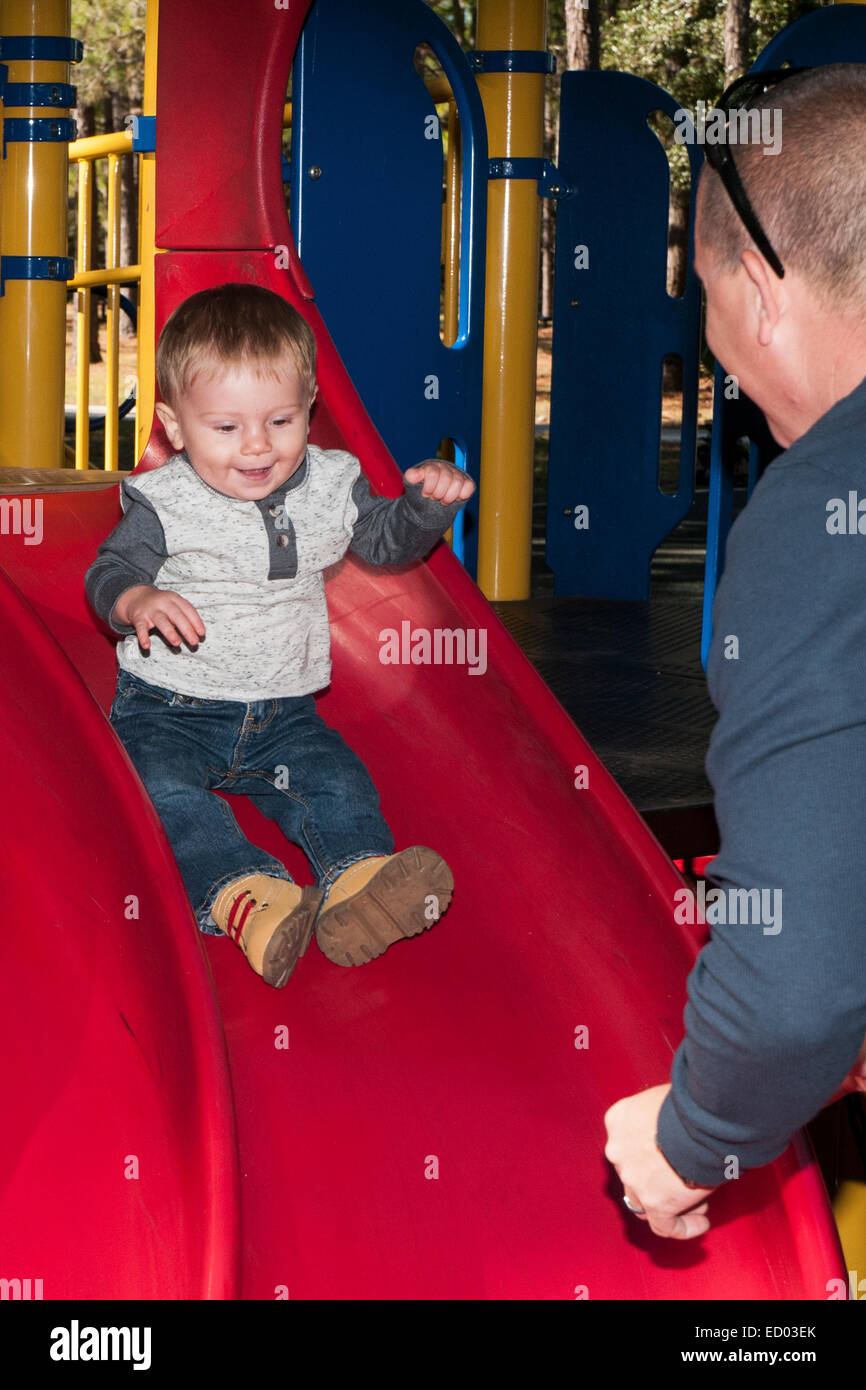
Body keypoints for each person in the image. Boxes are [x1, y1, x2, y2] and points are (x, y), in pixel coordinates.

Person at [604, 63, 866, 1238]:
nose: (711, 346)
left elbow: (791, 989)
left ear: (758, 290)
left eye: (702, 299)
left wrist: (689, 1136)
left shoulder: (816, 520)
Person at [85, 282, 474, 988]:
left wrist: (424, 508)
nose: (258, 446)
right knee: (159, 797)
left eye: (281, 420)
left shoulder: (331, 481)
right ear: (175, 426)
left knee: (337, 782)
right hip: (168, 711)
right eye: (226, 428)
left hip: (285, 716)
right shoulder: (165, 501)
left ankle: (358, 883)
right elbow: (108, 571)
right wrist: (136, 598)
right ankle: (249, 897)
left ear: (311, 406)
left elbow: (386, 545)